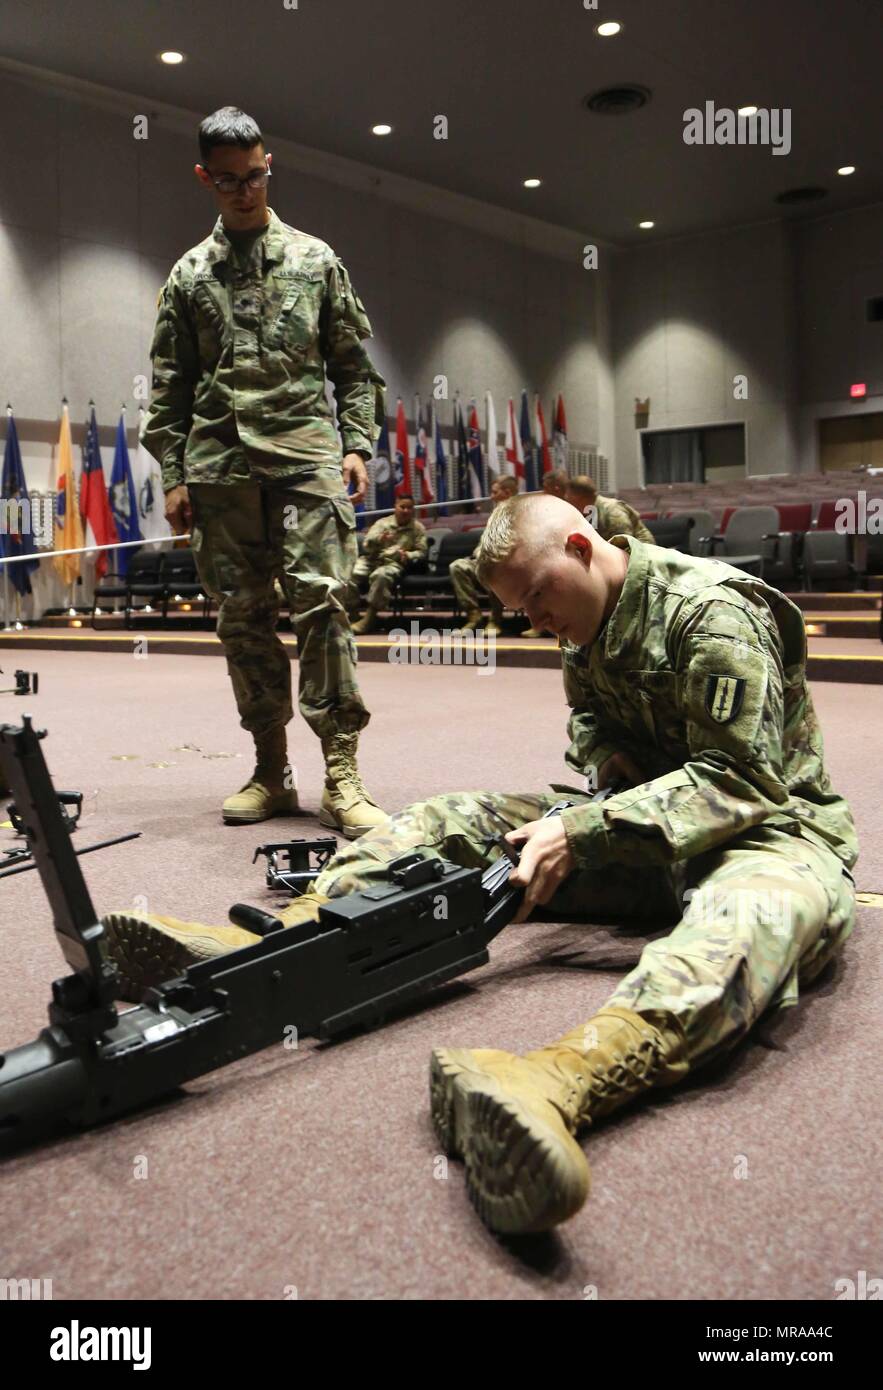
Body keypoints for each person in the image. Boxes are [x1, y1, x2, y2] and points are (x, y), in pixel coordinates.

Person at [102, 493, 857, 1238]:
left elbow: (739, 782)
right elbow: (590, 723)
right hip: (639, 836)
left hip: (768, 835)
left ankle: (553, 1084)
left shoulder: (708, 612)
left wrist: (583, 831)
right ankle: (277, 942)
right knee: (445, 820)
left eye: (535, 597)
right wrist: (601, 775)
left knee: (751, 916)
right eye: (518, 610)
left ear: (580, 548)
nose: (533, 621)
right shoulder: (580, 620)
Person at [141, 105, 387, 838]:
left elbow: (354, 367)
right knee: (243, 621)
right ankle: (271, 769)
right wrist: (176, 471)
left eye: (255, 176)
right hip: (219, 467)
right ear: (204, 177)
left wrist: (357, 444)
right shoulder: (188, 276)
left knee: (323, 608)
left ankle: (341, 774)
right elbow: (169, 385)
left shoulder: (315, 261)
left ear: (268, 164)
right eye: (228, 181)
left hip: (306, 456)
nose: (245, 191)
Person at [448, 474, 518, 632]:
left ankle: (495, 620)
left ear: (507, 492)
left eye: (495, 492)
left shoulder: (521, 514)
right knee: (458, 566)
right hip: (484, 560)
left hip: (507, 565)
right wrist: (480, 553)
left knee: (493, 567)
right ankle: (474, 616)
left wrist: (489, 555)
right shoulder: (495, 514)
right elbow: (484, 542)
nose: (491, 496)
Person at [350, 493, 428, 634]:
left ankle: (369, 619)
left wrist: (408, 555)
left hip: (393, 563)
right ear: (395, 507)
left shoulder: (418, 528)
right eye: (402, 507)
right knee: (349, 574)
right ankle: (352, 614)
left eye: (409, 508)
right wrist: (379, 539)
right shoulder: (382, 523)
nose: (405, 511)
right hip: (372, 559)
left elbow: (422, 553)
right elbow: (367, 545)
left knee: (381, 576)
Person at [565, 474, 655, 544]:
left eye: (569, 497)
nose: (566, 500)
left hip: (642, 555)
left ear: (580, 497)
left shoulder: (612, 511)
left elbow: (625, 545)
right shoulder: (588, 510)